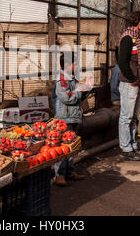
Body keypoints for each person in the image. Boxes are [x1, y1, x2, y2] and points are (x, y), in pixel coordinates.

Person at [53, 52, 90, 186]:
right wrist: (80, 90)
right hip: (65, 118)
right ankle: (59, 175)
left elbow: (77, 96)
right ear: (68, 65)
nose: (77, 65)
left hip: (73, 116)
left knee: (72, 146)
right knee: (63, 147)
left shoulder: (72, 78)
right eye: (75, 63)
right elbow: (67, 98)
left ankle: (69, 171)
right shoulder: (61, 80)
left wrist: (86, 88)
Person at [117, 10, 140, 161]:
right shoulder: (128, 38)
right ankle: (126, 147)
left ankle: (133, 145)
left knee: (134, 116)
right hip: (130, 83)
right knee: (126, 116)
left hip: (137, 83)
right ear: (139, 22)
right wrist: (132, 79)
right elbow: (122, 62)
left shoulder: (137, 38)